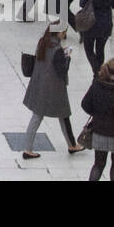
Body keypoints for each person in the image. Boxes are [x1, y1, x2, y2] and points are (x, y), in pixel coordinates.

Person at [21, 21, 83, 158]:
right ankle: (71, 145)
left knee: (40, 116)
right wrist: (67, 58)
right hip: (53, 88)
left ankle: (28, 148)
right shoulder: (57, 49)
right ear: (59, 32)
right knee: (62, 115)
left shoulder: (42, 42)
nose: (64, 34)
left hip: (39, 84)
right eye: (64, 32)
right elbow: (62, 70)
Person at [80, 58, 114, 180]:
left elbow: (85, 104)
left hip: (99, 131)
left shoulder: (97, 84)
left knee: (98, 165)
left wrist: (96, 114)